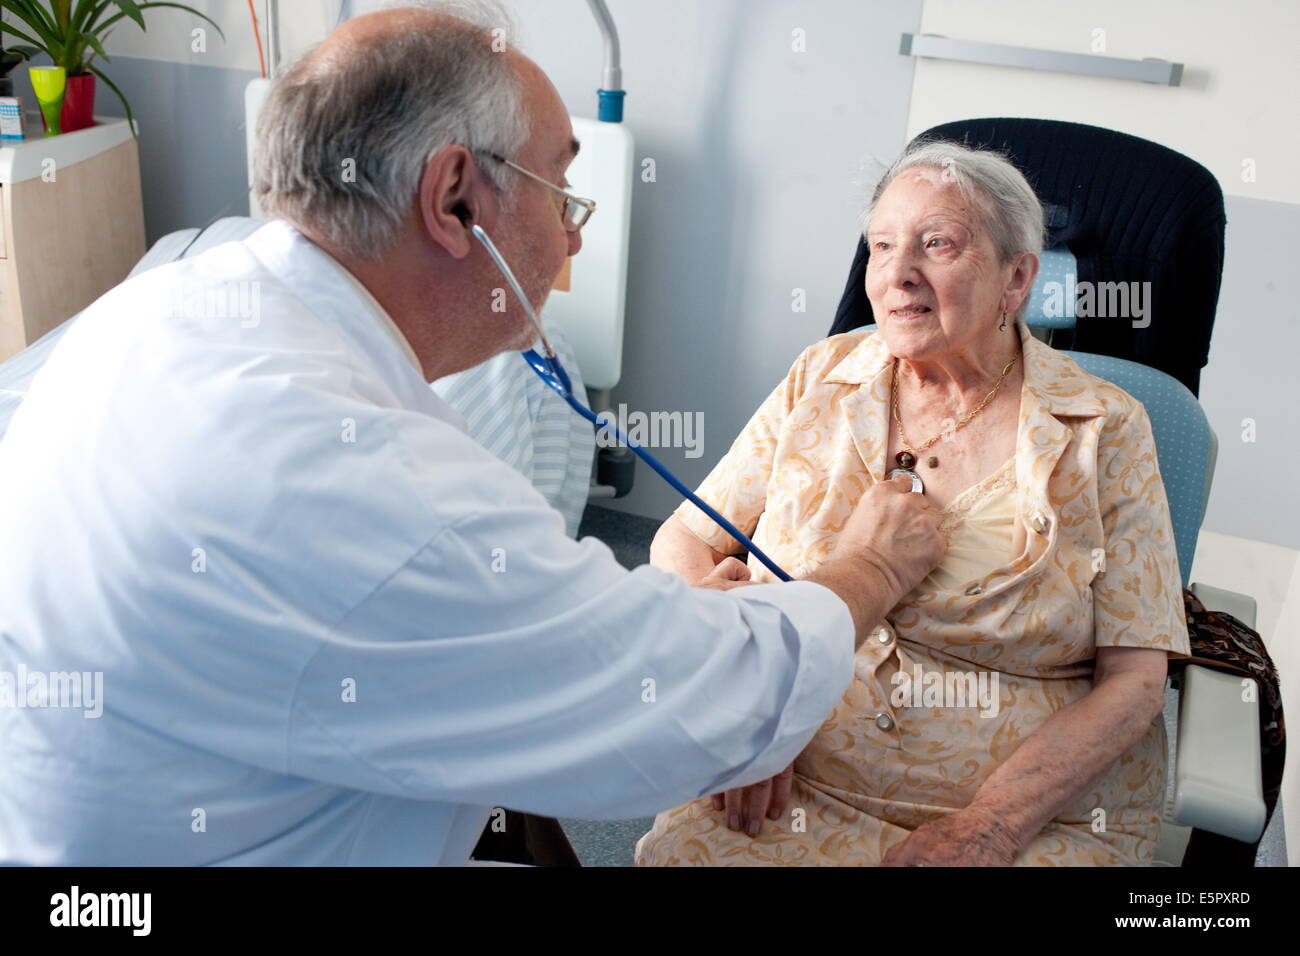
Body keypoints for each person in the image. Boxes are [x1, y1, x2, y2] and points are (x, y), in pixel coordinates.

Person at [0, 3, 944, 865]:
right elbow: (685, 707)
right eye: (563, 190)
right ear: (455, 200)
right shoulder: (377, 493)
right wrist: (866, 569)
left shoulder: (161, 302)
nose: (574, 239)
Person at [636, 141, 1191, 867]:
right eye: (882, 246)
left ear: (1015, 278)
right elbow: (685, 538)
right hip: (782, 778)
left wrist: (990, 827)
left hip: (1025, 816)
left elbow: (1137, 681)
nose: (898, 275)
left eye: (937, 244)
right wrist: (753, 709)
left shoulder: (1103, 427)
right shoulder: (823, 374)